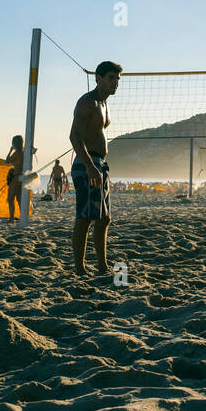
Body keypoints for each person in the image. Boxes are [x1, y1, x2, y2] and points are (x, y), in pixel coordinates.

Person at [69, 60, 121, 275]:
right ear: (98, 78)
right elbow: (74, 136)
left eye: (117, 79)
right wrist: (90, 166)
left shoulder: (104, 104)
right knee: (85, 217)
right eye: (111, 78)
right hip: (86, 165)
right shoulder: (87, 102)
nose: (116, 83)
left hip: (100, 164)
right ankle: (79, 269)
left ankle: (102, 265)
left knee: (104, 218)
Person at [6, 135, 25, 222]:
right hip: (22, 178)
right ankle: (23, 216)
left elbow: (7, 161)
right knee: (19, 199)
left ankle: (11, 218)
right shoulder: (24, 153)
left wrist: (10, 150)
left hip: (16, 177)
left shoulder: (16, 153)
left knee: (10, 199)